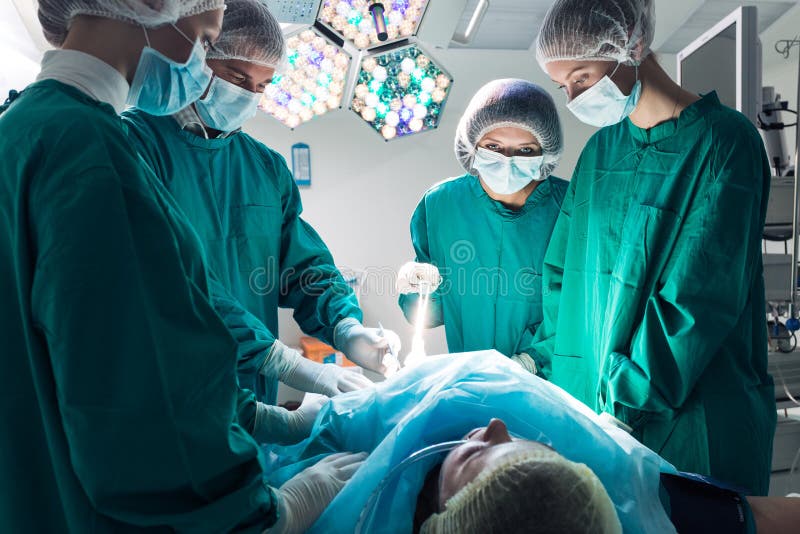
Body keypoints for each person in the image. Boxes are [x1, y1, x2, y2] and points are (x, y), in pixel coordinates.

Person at [0, 2, 363, 531]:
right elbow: (150, 399)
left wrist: (341, 332)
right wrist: (267, 515)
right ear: (154, 6)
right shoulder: (99, 153)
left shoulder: (24, 130)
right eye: (205, 36)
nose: (197, 59)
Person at [524, 0, 776, 494]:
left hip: (692, 424)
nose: (574, 97)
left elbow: (699, 299)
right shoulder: (599, 153)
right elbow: (564, 279)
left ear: (633, 45)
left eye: (582, 76)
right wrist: (540, 365)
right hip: (593, 419)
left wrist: (624, 406)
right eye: (564, 87)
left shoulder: (725, 144)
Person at [122, 0, 400, 408]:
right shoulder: (134, 144)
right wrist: (281, 360)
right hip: (168, 390)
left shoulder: (265, 168)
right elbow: (170, 281)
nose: (247, 95)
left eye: (261, 86)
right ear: (196, 59)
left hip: (255, 391)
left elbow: (302, 267)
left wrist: (346, 327)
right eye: (237, 76)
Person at [266, 353, 800, 534]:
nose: (497, 425)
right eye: (528, 445)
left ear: (443, 517)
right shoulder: (614, 496)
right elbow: (757, 518)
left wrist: (281, 509)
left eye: (475, 453)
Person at [396, 79, 567, 369]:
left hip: (551, 385)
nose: (507, 160)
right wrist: (418, 287)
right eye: (493, 146)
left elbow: (583, 307)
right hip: (473, 380)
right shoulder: (441, 205)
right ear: (472, 146)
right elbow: (429, 314)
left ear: (544, 153)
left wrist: (533, 360)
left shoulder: (571, 208)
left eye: (525, 150)